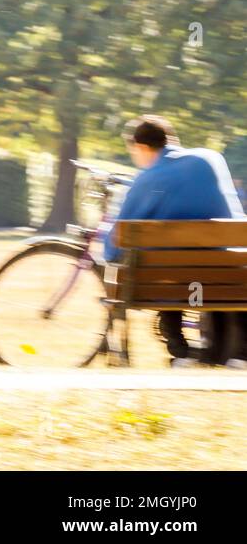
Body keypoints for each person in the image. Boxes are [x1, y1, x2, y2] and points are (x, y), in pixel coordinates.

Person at [102, 115, 244, 365]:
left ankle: (181, 351)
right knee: (211, 271)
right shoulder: (210, 159)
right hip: (228, 277)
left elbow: (113, 248)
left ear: (141, 147)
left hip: (173, 286)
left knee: (168, 271)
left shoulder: (147, 179)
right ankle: (232, 356)